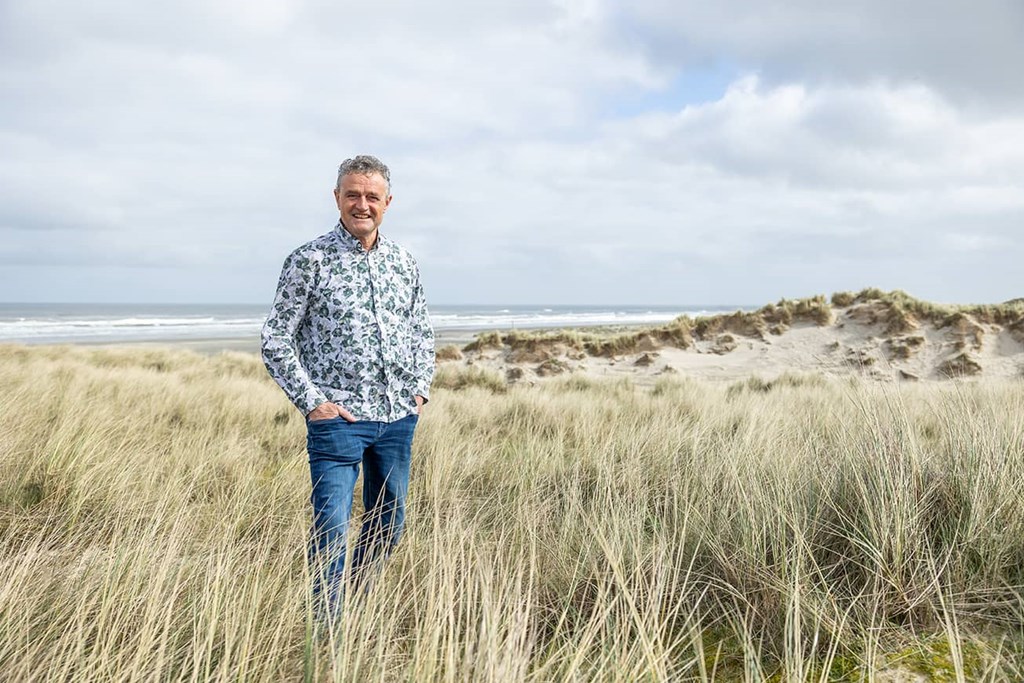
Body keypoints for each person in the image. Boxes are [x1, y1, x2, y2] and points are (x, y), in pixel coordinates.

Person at [261, 155, 434, 617]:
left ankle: (351, 607)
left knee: (388, 528)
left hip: (397, 419)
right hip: (338, 423)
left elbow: (421, 331)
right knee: (331, 532)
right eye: (352, 195)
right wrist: (314, 402)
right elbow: (276, 339)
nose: (362, 204)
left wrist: (418, 391)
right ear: (336, 198)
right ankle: (328, 635)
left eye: (371, 197)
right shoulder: (308, 260)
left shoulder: (403, 262)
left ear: (388, 202)